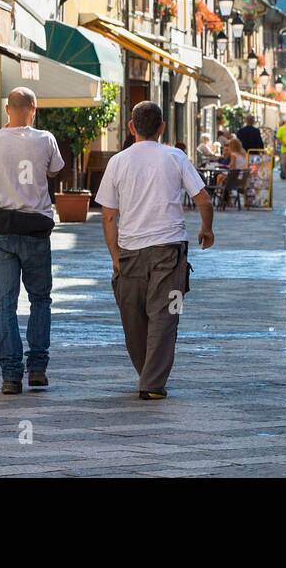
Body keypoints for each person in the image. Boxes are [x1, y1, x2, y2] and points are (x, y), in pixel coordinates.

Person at [96, 101, 215, 401]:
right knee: (166, 315)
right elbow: (203, 199)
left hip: (131, 250)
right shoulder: (175, 157)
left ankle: (148, 376)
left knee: (132, 318)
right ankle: (151, 380)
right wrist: (207, 229)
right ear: (162, 128)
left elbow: (109, 215)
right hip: (169, 250)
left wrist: (114, 256)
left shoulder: (117, 162)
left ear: (132, 127)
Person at [0, 87, 65, 395]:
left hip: (2, 229)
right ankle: (37, 367)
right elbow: (54, 171)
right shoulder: (46, 139)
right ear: (33, 110)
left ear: (7, 108)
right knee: (40, 299)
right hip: (35, 229)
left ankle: (11, 376)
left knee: (5, 305)